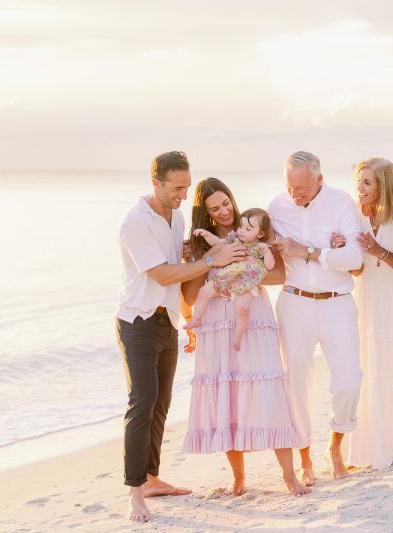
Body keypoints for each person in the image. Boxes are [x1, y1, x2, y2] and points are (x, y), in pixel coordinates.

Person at [116, 152, 238, 522]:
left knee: (161, 404)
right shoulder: (135, 222)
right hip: (136, 321)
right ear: (155, 183)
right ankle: (135, 493)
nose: (184, 195)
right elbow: (163, 275)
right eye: (176, 188)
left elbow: (180, 271)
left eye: (187, 187)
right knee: (143, 401)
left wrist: (189, 320)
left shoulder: (177, 215)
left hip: (166, 321)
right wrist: (210, 262)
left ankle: (151, 478)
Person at [181, 177, 310, 497]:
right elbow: (188, 295)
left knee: (269, 391)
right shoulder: (199, 246)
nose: (224, 212)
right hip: (216, 324)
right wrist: (208, 261)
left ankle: (289, 476)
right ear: (206, 215)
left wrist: (244, 267)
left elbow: (280, 274)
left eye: (226, 203)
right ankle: (239, 478)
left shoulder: (254, 229)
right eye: (215, 208)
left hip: (253, 315)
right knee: (229, 395)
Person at [268, 151, 364, 483]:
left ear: (319, 179)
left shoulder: (341, 203)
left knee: (350, 379)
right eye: (290, 187)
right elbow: (254, 243)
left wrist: (310, 251)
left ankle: (335, 445)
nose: (296, 195)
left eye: (303, 187)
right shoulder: (275, 208)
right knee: (296, 383)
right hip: (294, 303)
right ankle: (305, 457)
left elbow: (354, 256)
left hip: (337, 301)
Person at [337, 157, 393, 469]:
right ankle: (367, 442)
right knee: (367, 366)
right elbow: (359, 271)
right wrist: (342, 248)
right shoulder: (354, 217)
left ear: (383, 185)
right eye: (359, 181)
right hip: (367, 298)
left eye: (367, 182)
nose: (359, 189)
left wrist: (380, 251)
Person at [184, 208, 275, 352]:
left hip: (245, 284)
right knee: (204, 291)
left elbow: (270, 266)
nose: (242, 231)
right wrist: (206, 234)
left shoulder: (258, 248)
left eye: (248, 228)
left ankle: (238, 337)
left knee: (243, 309)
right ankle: (197, 318)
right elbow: (218, 243)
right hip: (226, 277)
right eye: (241, 226)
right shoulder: (234, 239)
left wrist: (267, 252)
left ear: (261, 233)